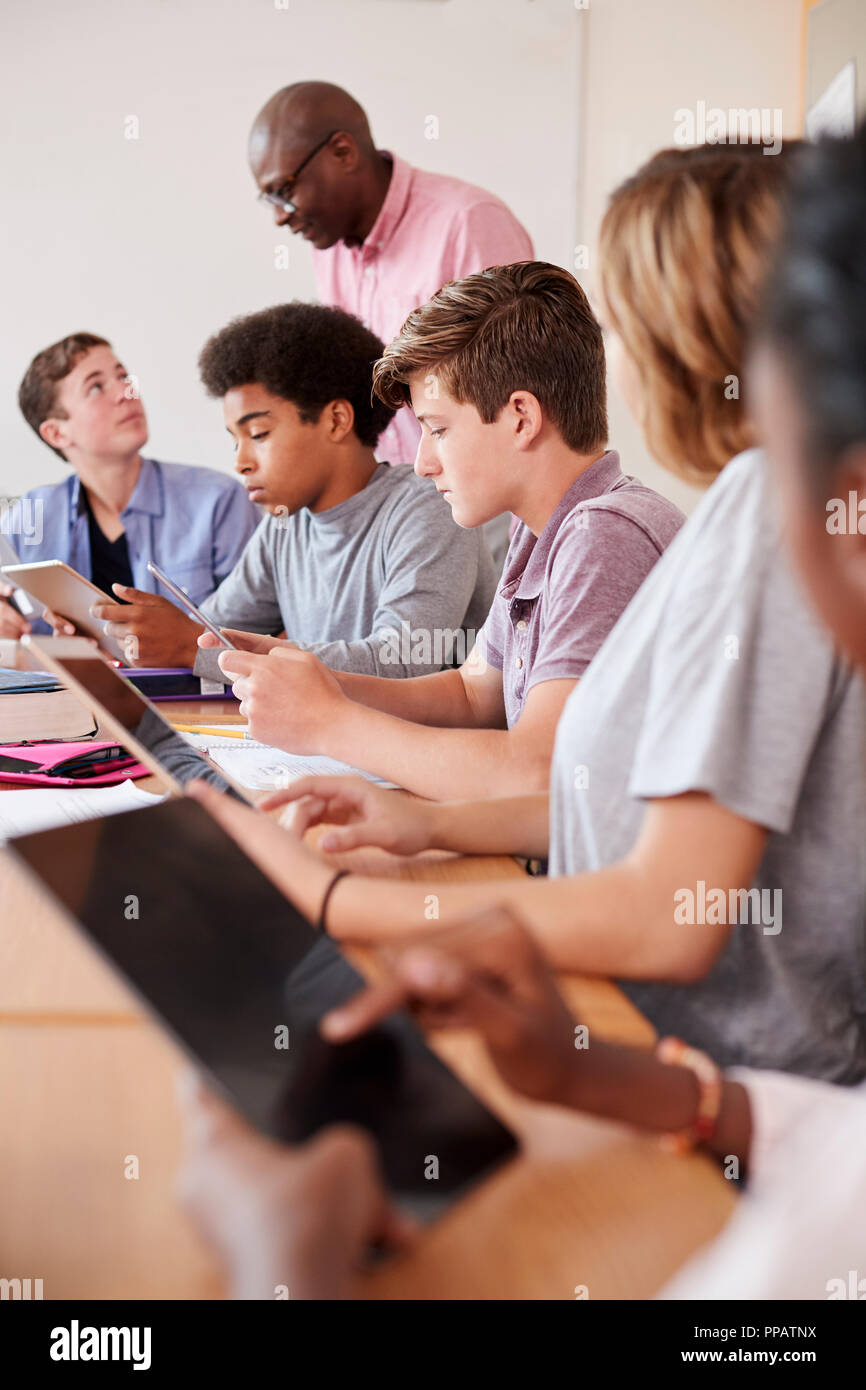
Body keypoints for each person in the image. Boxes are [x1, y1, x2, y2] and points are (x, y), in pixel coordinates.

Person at [201, 142, 866, 1086]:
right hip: (687, 1036)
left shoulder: (754, 521)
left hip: (730, 1058)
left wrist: (337, 897)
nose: (614, 367)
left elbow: (660, 904)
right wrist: (422, 824)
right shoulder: (734, 512)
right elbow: (593, 790)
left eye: (627, 333)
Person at [209, 263, 684, 798]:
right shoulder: (543, 532)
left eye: (437, 429)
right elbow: (473, 692)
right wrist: (316, 684)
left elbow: (536, 771)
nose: (421, 462)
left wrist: (328, 723)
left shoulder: (603, 533)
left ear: (520, 418)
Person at [91, 304, 495, 674]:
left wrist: (190, 648)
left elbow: (401, 661)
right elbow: (205, 630)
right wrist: (109, 632)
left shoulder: (427, 506)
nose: (241, 462)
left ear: (337, 420)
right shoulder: (284, 526)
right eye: (236, 440)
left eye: (259, 433)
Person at [249, 81, 534, 565]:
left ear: (342, 151)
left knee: (474, 643)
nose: (281, 218)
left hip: (481, 510)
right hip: (398, 513)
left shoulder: (466, 222)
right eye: (269, 200)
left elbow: (517, 388)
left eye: (284, 191)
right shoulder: (332, 250)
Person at [0, 333, 259, 642]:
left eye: (123, 376)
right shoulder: (29, 518)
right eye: (96, 387)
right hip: (65, 692)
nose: (126, 391)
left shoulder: (219, 501)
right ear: (56, 433)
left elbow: (258, 635)